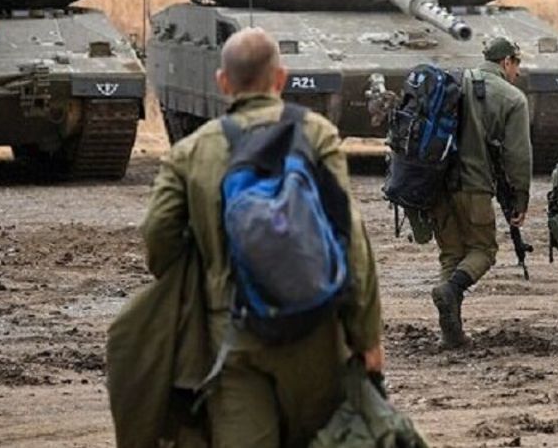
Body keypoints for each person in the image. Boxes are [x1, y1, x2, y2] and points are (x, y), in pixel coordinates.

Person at [140, 27, 384, 447]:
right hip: (315, 327)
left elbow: (158, 242)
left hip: (234, 333)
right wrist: (366, 336)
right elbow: (351, 238)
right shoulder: (316, 134)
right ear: (281, 78)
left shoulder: (191, 151)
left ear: (222, 82)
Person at [430, 36, 532, 349]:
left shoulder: (454, 82)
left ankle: (452, 333)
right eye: (516, 64)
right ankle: (451, 291)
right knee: (483, 251)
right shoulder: (512, 98)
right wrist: (520, 198)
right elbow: (518, 156)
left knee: (452, 254)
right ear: (506, 62)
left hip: (437, 186)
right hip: (474, 187)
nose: (517, 72)